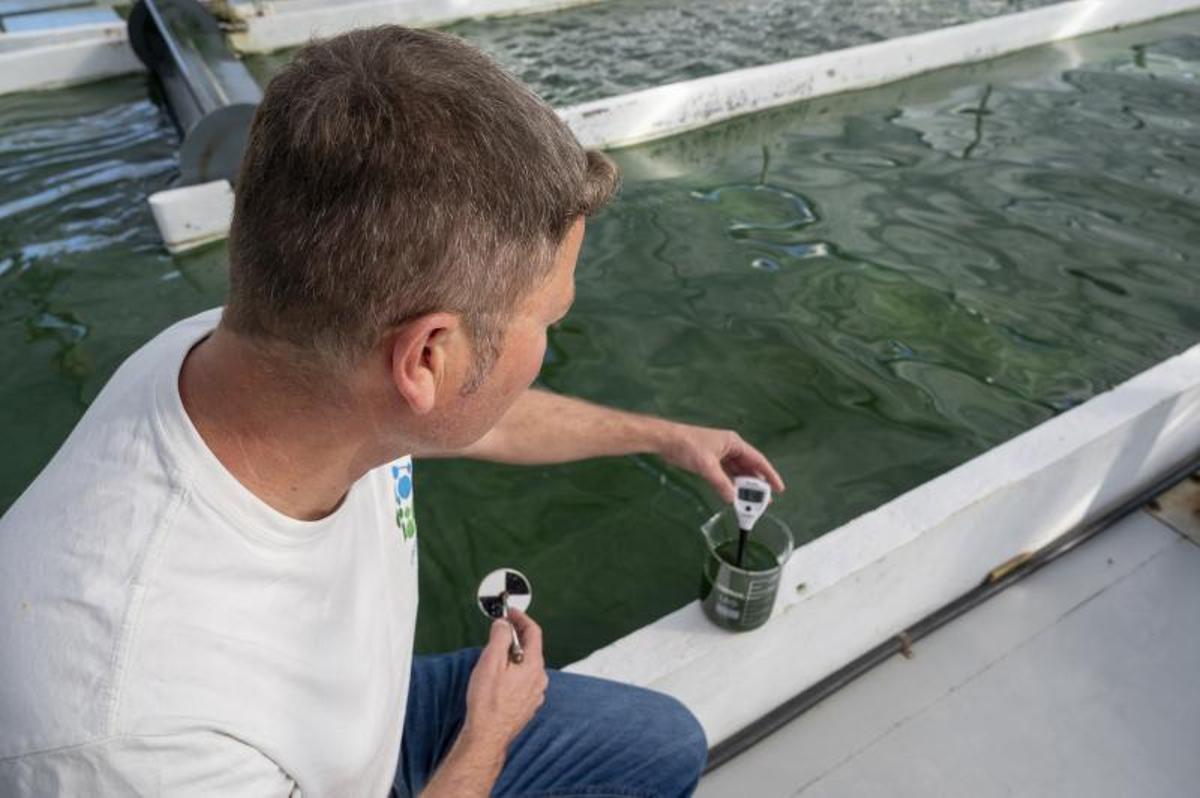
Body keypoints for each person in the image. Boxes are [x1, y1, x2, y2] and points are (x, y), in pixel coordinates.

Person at [0, 25, 784, 797]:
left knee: (660, 744)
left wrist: (667, 438)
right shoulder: (137, 738)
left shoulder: (268, 348)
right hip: (313, 763)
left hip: (359, 720)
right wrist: (486, 738)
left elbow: (482, 414)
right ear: (426, 360)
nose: (550, 336)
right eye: (548, 319)